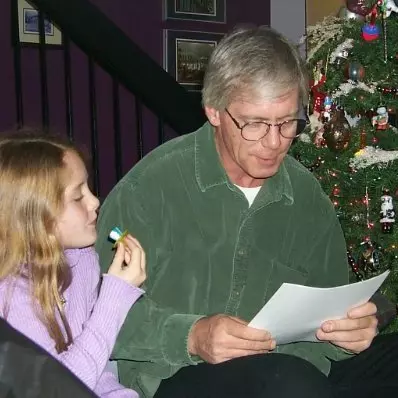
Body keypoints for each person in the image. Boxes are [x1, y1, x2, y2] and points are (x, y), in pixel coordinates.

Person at [95, 26, 398, 398]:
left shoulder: (306, 196)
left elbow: (328, 313)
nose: (274, 143)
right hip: (176, 372)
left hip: (290, 366)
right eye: (255, 123)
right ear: (215, 112)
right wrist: (191, 335)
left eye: (287, 123)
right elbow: (95, 312)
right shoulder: (148, 190)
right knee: (289, 385)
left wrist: (348, 333)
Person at [0, 131, 147, 397]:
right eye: (78, 197)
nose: (95, 202)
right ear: (36, 216)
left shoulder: (81, 260)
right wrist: (115, 295)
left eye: (88, 189)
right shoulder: (9, 292)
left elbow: (97, 372)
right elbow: (61, 388)